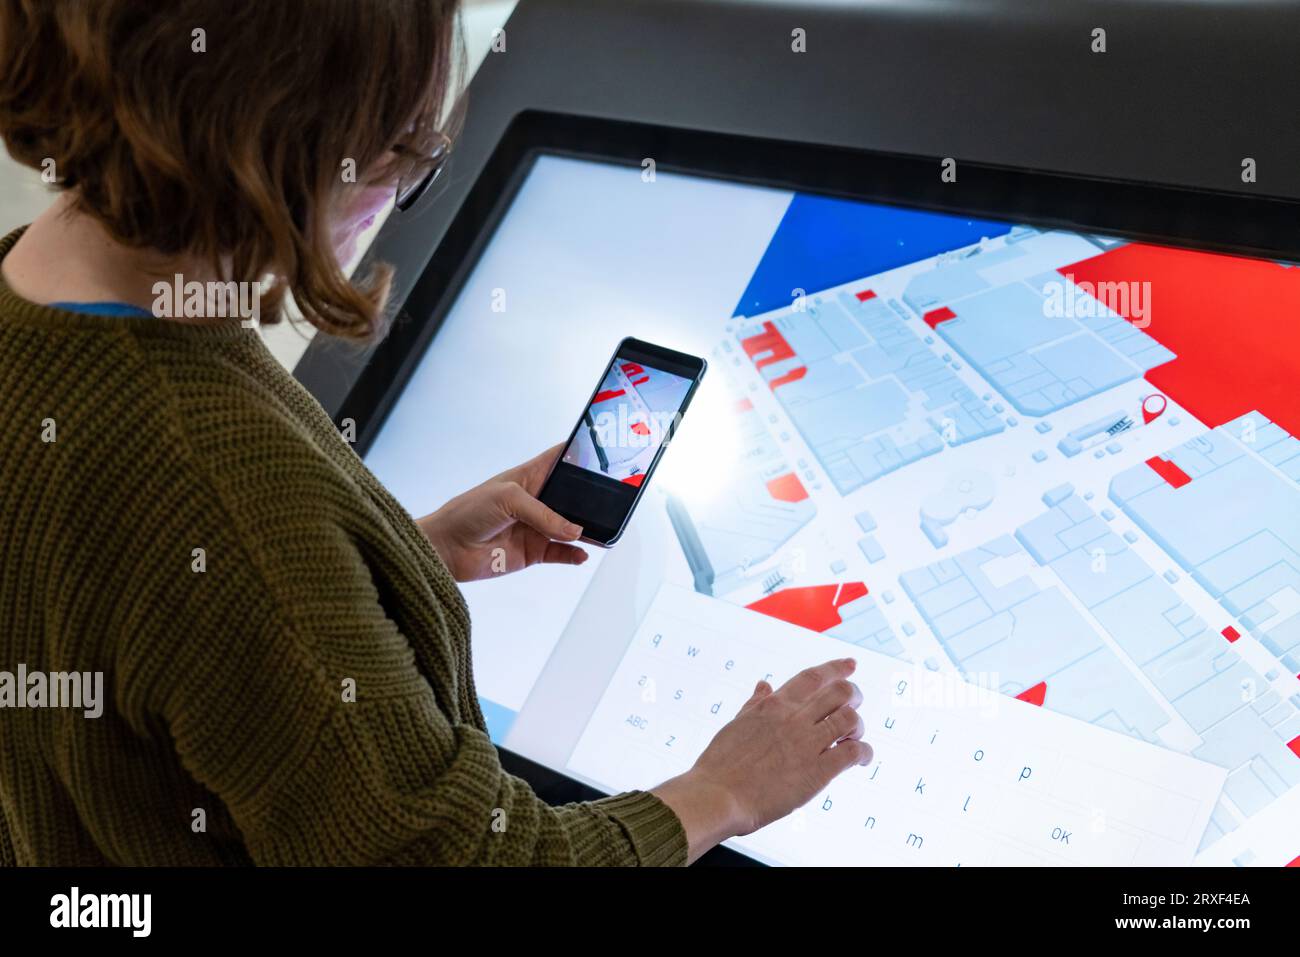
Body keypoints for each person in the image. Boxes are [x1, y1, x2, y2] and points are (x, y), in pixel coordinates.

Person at [0, 0, 870, 866]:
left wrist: (391, 564)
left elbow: (158, 626)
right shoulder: (225, 492)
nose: (389, 205)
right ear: (289, 145)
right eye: (400, 160)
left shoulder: (31, 290)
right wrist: (722, 789)